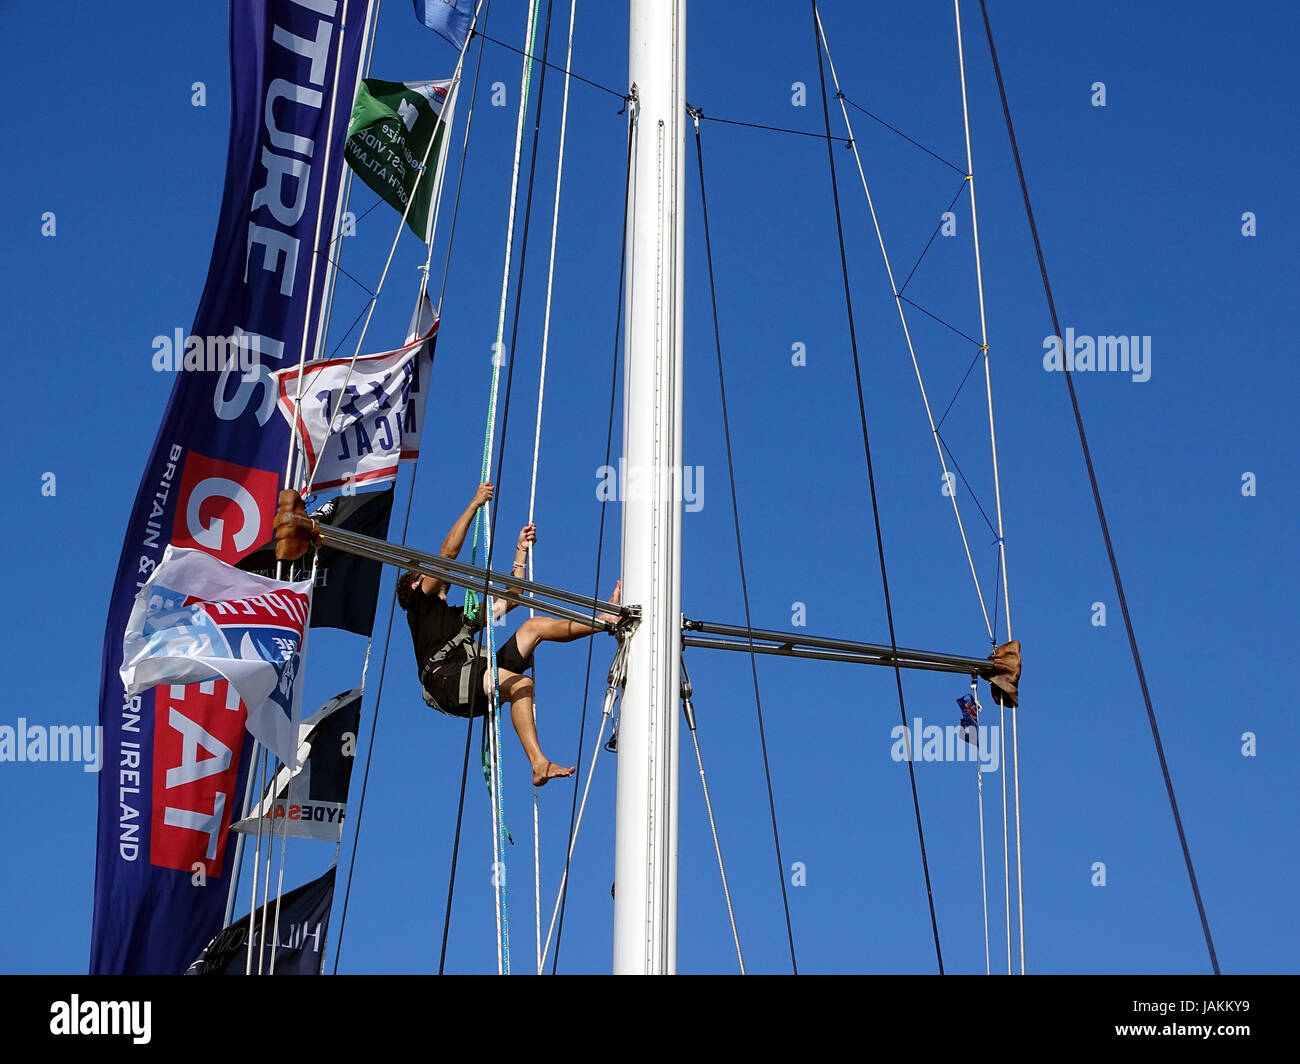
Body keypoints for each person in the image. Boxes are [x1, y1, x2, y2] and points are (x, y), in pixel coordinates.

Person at [397, 481, 621, 786]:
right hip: (446, 678)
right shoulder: (419, 606)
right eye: (424, 573)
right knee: (522, 684)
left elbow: (513, 598)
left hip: (472, 673)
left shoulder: (461, 618)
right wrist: (475, 503)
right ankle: (538, 763)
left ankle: (603, 620)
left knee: (532, 627)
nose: (431, 575)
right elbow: (447, 554)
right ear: (415, 585)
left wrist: (520, 551)